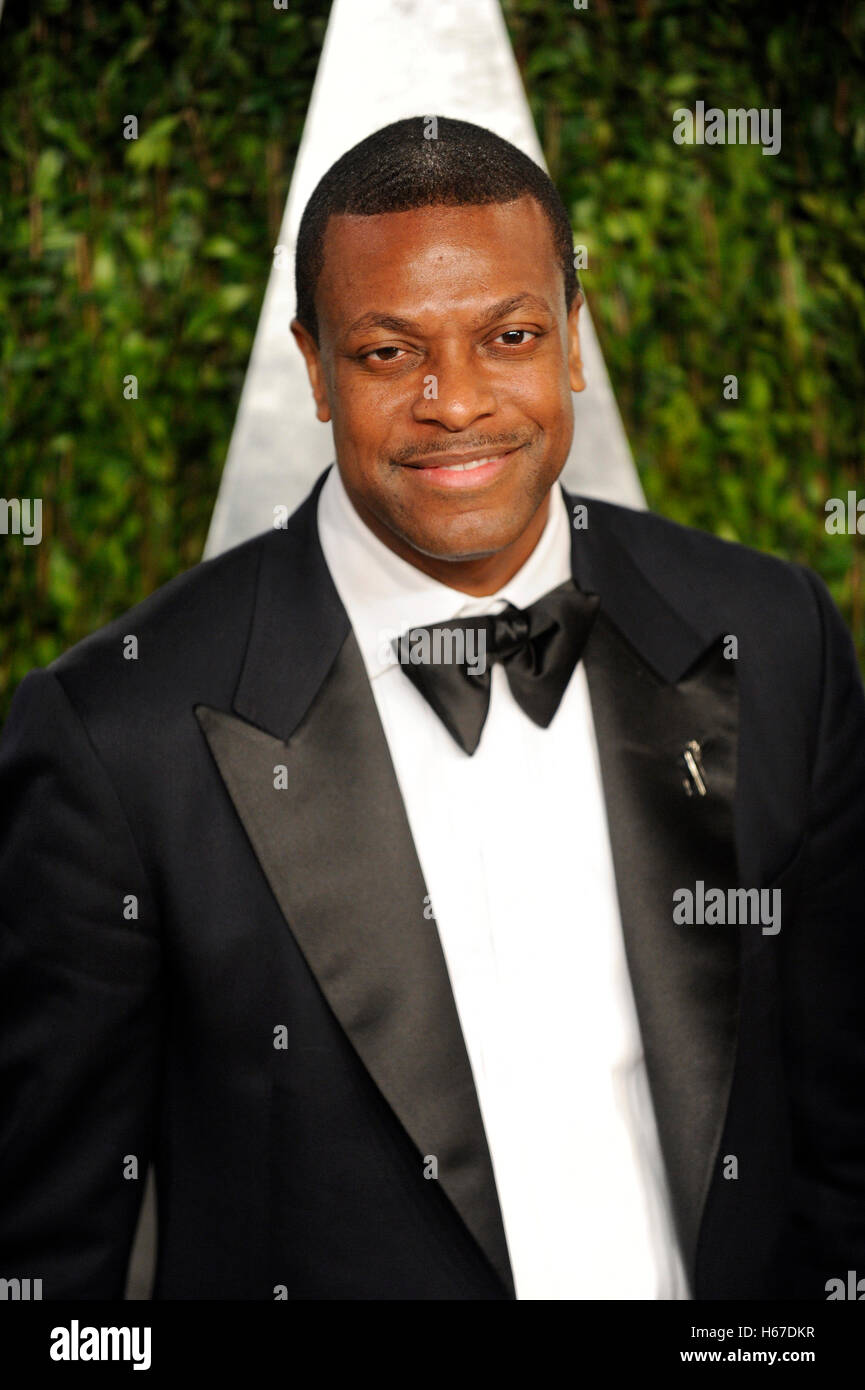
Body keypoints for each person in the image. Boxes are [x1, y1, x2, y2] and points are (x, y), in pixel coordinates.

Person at [1, 116, 863, 1302]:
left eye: (507, 335)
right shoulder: (115, 732)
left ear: (572, 337)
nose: (454, 403)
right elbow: (50, 1264)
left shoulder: (775, 636)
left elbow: (839, 1133)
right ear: (312, 365)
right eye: (386, 353)